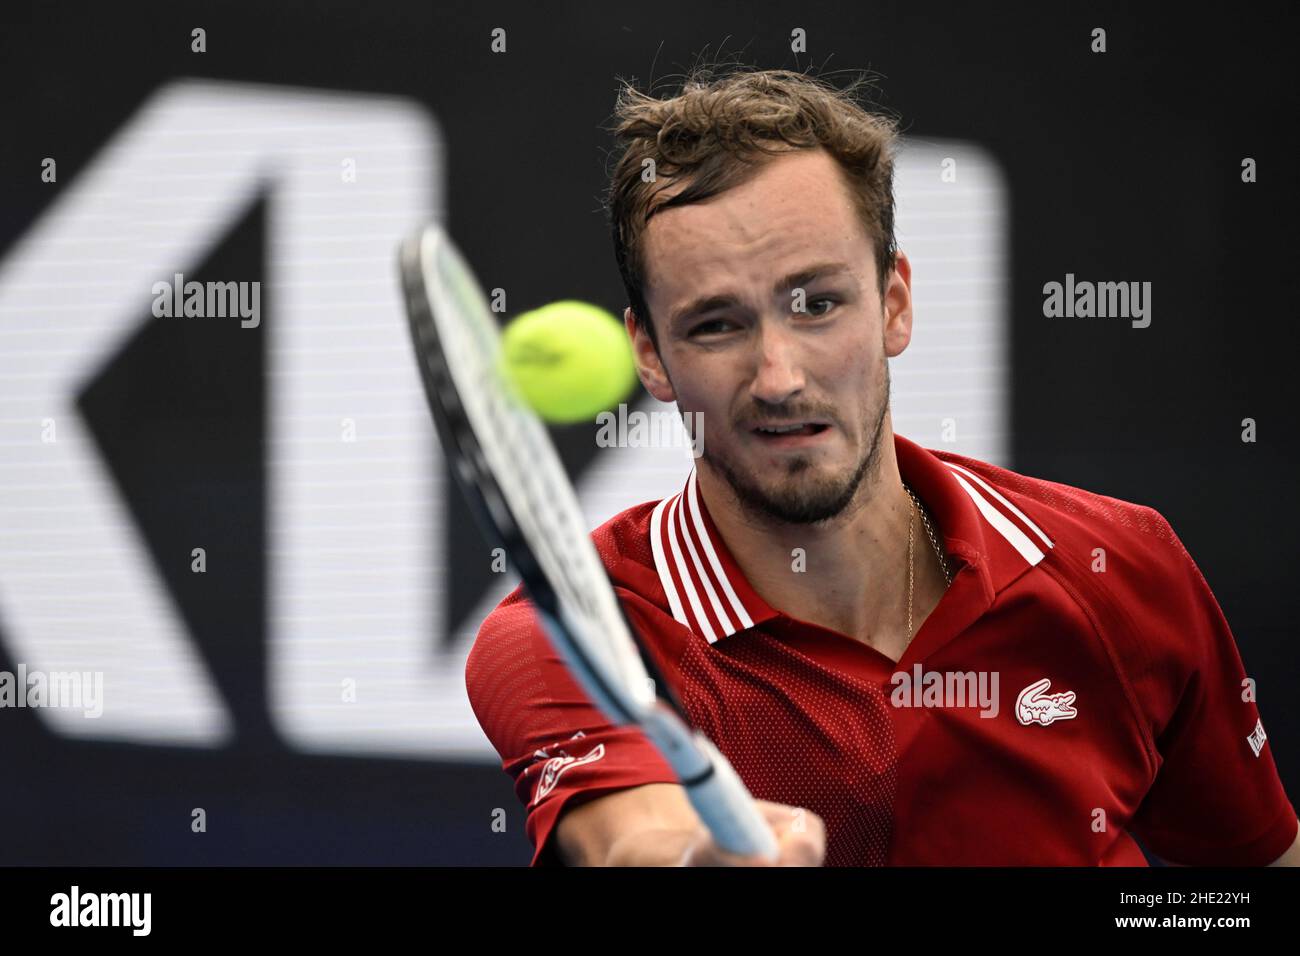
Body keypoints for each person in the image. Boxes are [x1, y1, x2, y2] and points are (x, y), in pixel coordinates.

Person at [465, 66, 1299, 866]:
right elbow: (626, 837)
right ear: (650, 355)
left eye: (818, 304)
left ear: (895, 302)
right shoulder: (566, 637)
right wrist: (695, 854)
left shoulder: (1118, 568)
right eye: (716, 325)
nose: (779, 378)